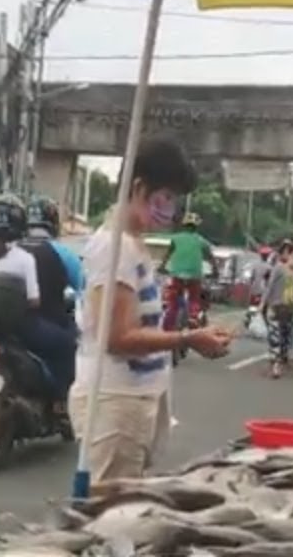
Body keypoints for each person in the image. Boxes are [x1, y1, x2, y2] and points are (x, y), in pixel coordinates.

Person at [72, 138, 234, 484]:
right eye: (168, 197)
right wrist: (189, 337)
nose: (171, 210)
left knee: (124, 506)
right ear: (139, 188)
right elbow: (115, 338)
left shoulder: (133, 243)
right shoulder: (114, 249)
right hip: (115, 402)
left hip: (133, 398)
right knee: (109, 514)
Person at [20, 196, 84, 415]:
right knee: (71, 346)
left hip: (4, 326)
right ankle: (62, 403)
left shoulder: (9, 249)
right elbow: (85, 289)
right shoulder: (62, 253)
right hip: (42, 326)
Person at [159, 212, 217, 330]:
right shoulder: (202, 241)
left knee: (173, 301)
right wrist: (215, 271)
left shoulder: (175, 239)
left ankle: (169, 323)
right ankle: (193, 317)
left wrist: (162, 267)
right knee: (194, 299)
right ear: (196, 227)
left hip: (177, 275)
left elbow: (167, 255)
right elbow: (211, 258)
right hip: (194, 276)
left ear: (184, 225)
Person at [260, 243, 293, 378]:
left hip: (289, 308)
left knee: (286, 336)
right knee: (275, 337)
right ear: (286, 255)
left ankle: (283, 359)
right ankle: (275, 366)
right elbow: (270, 287)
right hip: (276, 307)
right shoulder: (278, 268)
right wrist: (263, 304)